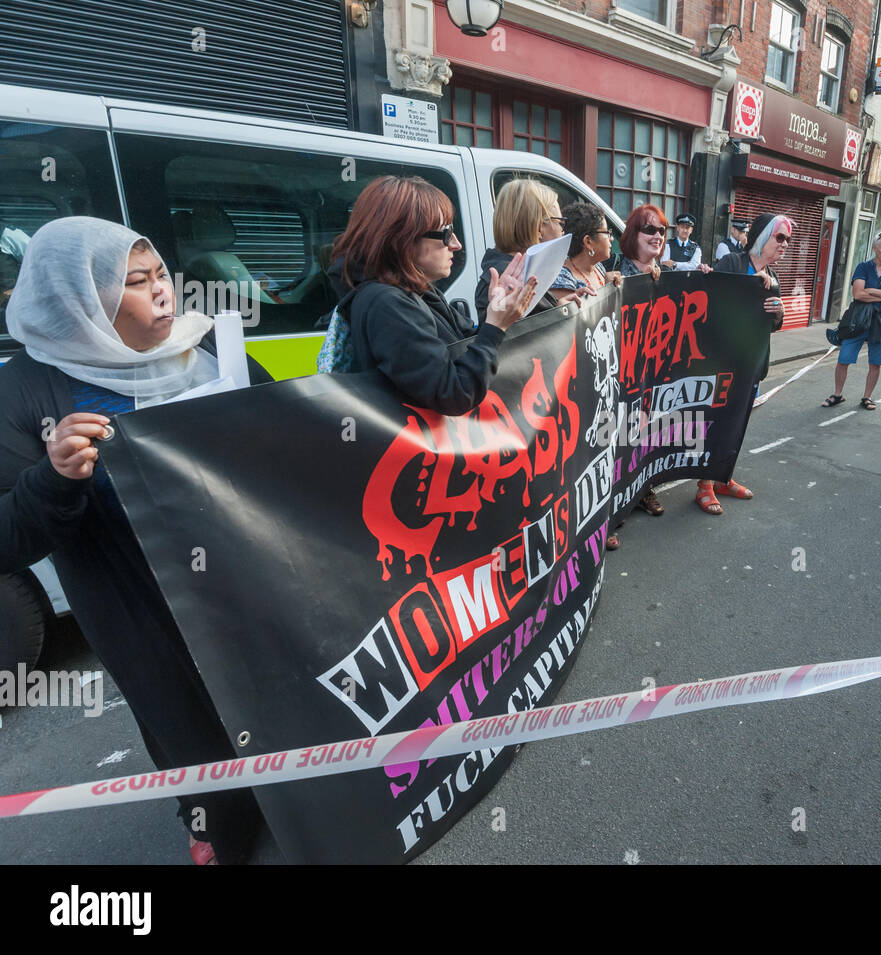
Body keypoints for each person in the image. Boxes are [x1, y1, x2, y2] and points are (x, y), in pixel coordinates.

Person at [0, 217, 272, 864]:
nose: (165, 293)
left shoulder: (205, 345)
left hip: (248, 585)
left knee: (279, 706)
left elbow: (284, 433)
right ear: (80, 301)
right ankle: (214, 822)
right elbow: (8, 537)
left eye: (161, 276)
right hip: (142, 608)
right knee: (189, 727)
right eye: (137, 282)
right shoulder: (24, 390)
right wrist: (55, 477)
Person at [327, 175, 535, 415]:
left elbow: (467, 346)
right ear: (403, 239)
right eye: (446, 233)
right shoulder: (386, 303)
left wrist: (497, 312)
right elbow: (454, 394)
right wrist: (495, 328)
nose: (455, 244)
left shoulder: (416, 291)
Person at [549, 203, 627, 550]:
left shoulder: (599, 274)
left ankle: (604, 518)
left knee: (604, 453)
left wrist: (611, 282)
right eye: (607, 234)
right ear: (588, 242)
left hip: (604, 383)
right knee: (581, 462)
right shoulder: (560, 280)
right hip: (578, 389)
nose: (612, 240)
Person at [703, 212, 791, 515]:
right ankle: (705, 484)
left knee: (738, 423)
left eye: (788, 240)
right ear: (763, 235)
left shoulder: (775, 277)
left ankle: (723, 478)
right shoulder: (733, 263)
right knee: (717, 422)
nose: (785, 245)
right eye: (780, 237)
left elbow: (774, 325)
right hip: (723, 362)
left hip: (753, 363)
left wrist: (778, 312)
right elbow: (711, 304)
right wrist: (749, 286)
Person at [617, 204, 671, 518]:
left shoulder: (667, 275)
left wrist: (702, 276)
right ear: (633, 234)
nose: (657, 236)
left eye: (662, 230)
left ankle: (643, 488)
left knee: (646, 432)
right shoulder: (613, 271)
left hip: (653, 371)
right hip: (623, 371)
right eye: (649, 229)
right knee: (620, 434)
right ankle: (618, 497)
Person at [823, 230, 881, 410]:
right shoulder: (863, 267)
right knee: (844, 358)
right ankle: (837, 394)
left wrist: (871, 291)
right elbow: (858, 294)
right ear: (875, 248)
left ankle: (867, 397)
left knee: (876, 361)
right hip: (859, 318)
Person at [474, 178, 568, 325]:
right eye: (560, 222)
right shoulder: (511, 282)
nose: (563, 229)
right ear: (538, 227)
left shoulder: (515, 271)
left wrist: (562, 307)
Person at [550, 201, 624, 297]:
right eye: (607, 232)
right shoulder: (562, 279)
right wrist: (606, 290)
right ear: (588, 241)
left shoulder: (597, 267)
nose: (611, 238)